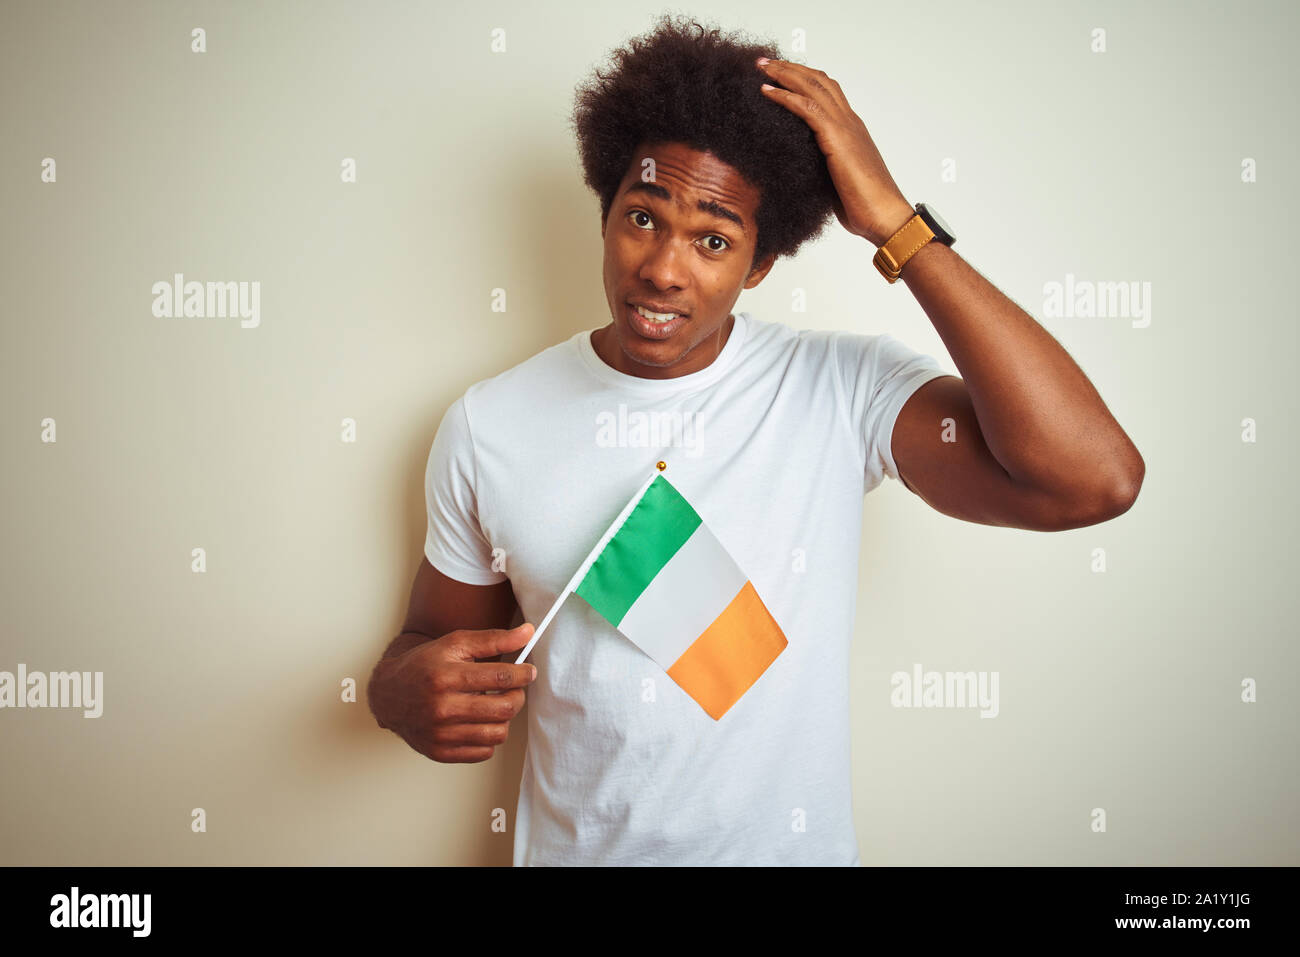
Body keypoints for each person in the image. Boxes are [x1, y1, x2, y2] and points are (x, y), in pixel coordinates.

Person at [366, 15, 1144, 866]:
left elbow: (1092, 479)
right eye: (642, 216)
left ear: (761, 263)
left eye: (713, 239)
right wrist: (398, 692)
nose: (663, 267)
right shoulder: (490, 423)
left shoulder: (842, 390)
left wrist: (894, 223)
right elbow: (423, 648)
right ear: (604, 213)